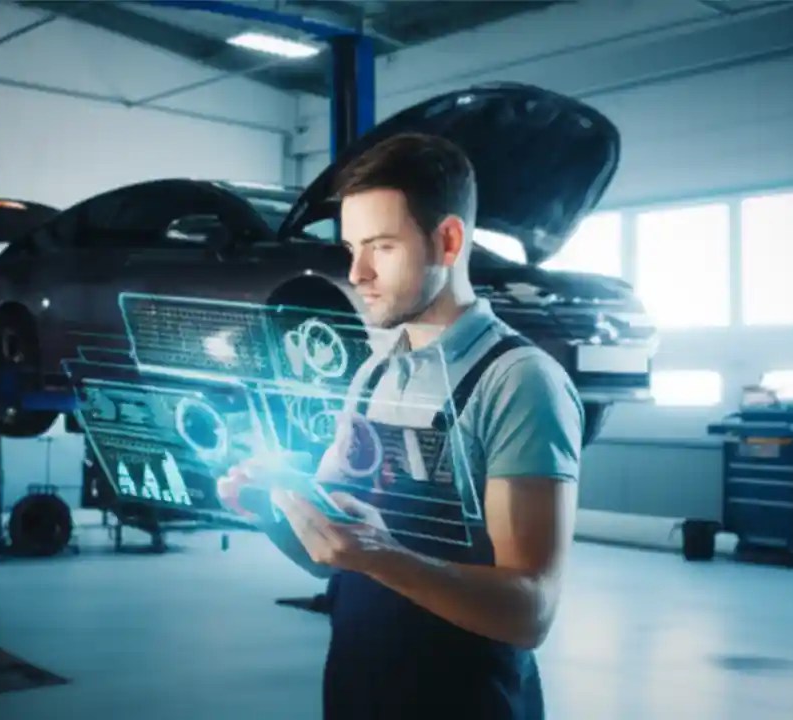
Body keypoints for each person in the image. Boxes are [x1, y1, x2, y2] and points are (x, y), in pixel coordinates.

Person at [218, 132, 583, 720]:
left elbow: (529, 611)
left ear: (448, 240)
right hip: (359, 693)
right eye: (351, 248)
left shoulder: (517, 382)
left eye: (381, 247)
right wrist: (271, 505)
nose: (357, 273)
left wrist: (380, 554)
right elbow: (330, 557)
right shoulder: (372, 375)